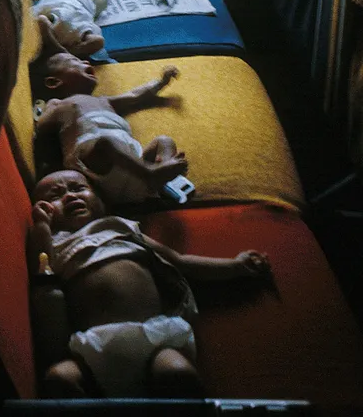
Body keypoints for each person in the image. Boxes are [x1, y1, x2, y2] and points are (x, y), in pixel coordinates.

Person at [29, 169, 271, 398]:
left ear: (100, 199)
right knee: (59, 378)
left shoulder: (120, 226)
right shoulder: (55, 241)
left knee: (178, 374)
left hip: (153, 338)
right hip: (91, 346)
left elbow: (180, 261)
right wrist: (42, 227)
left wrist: (235, 266)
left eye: (78, 188)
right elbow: (43, 269)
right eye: (55, 196)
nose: (70, 195)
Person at [31, 19, 188, 204]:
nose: (85, 61)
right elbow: (42, 128)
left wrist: (160, 82)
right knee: (106, 142)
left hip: (132, 161)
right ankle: (152, 174)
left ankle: (163, 176)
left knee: (164, 141)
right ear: (54, 82)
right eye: (74, 61)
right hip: (95, 161)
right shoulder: (59, 103)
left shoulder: (103, 100)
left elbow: (135, 95)